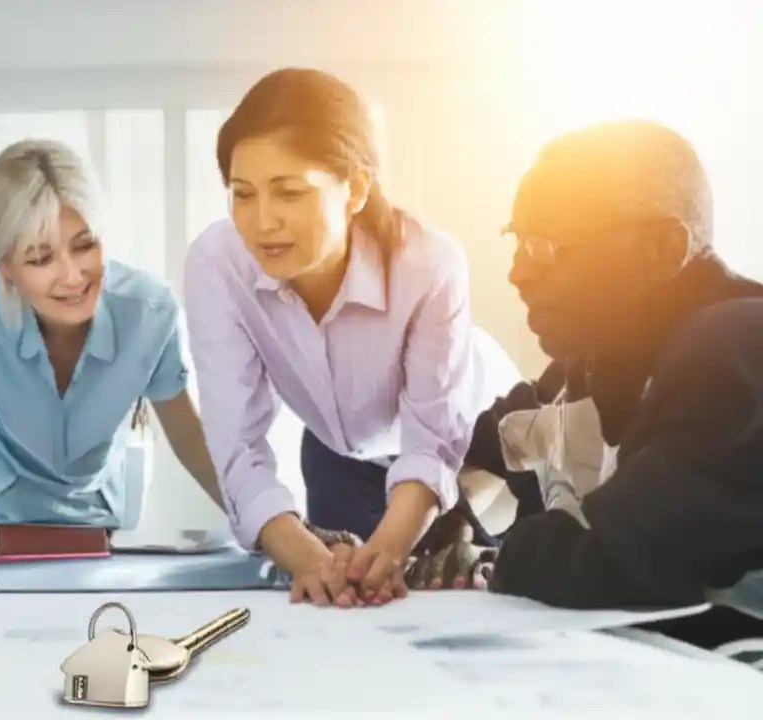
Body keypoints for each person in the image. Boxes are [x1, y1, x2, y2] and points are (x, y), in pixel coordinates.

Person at [184, 68, 516, 609]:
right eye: (242, 194)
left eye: (289, 192)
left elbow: (433, 440)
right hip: (343, 445)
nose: (262, 222)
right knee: (342, 591)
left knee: (452, 583)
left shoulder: (428, 263)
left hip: (479, 445)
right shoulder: (217, 264)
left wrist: (392, 549)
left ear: (356, 189)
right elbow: (236, 444)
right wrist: (307, 557)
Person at [454, 121, 763, 635]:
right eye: (517, 241)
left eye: (546, 247)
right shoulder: (594, 360)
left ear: (662, 249)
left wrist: (494, 559)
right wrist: (449, 514)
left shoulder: (739, 347)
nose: (517, 273)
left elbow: (609, 565)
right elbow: (478, 445)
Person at [0, 139, 223, 526]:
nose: (73, 277)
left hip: (99, 523)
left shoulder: (149, 312)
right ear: (4, 266)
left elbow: (191, 442)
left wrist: (267, 528)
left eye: (85, 245)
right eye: (41, 258)